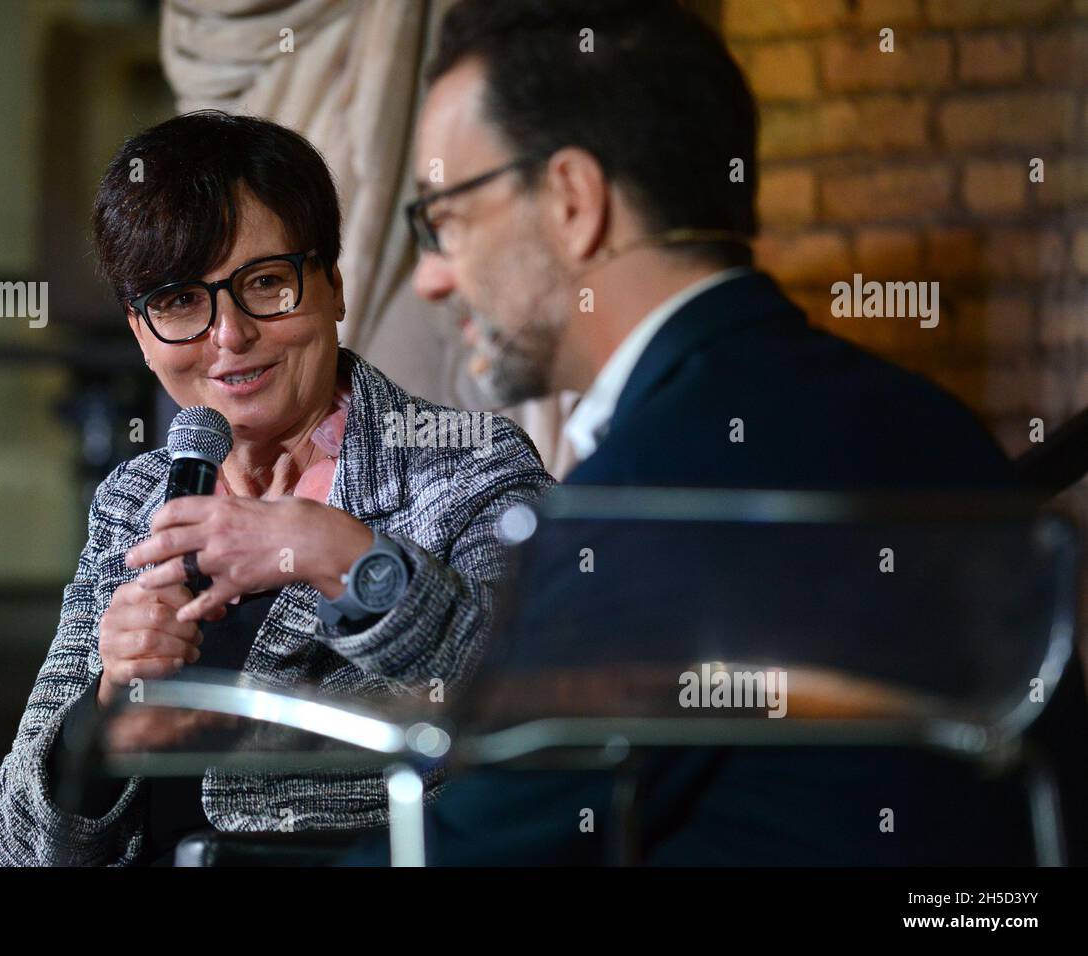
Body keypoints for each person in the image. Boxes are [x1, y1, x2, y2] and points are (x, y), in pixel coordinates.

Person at [351, 0, 1088, 865]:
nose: (433, 278)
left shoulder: (640, 507)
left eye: (446, 218)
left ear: (572, 201)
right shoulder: (928, 419)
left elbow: (480, 856)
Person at [0, 110, 553, 866]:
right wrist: (105, 707)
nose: (229, 337)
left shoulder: (470, 467)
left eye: (266, 284)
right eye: (180, 301)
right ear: (142, 334)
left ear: (333, 286)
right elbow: (11, 846)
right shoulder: (133, 502)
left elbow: (539, 720)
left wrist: (347, 559)